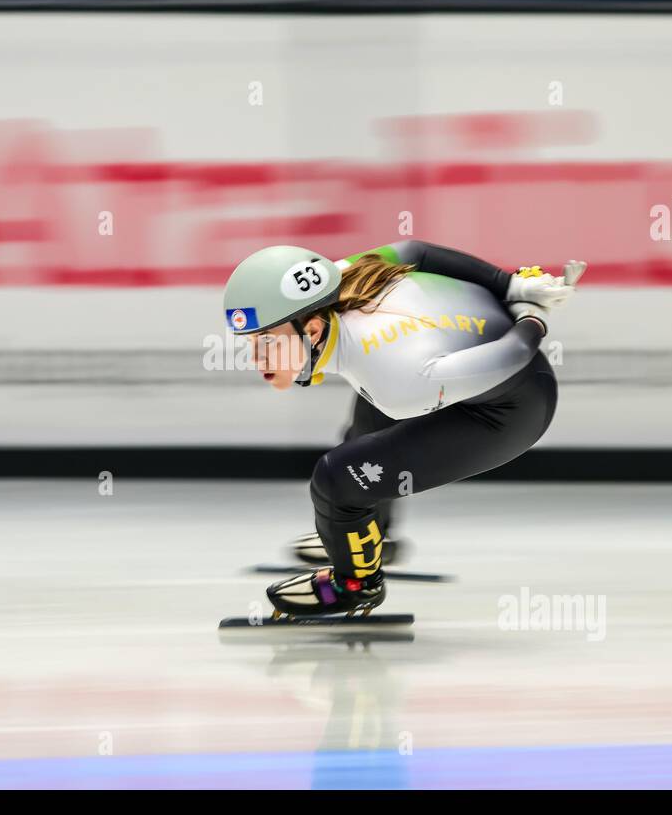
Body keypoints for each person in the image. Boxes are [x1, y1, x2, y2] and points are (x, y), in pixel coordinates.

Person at [222, 241, 584, 617]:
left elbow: (513, 356)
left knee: (338, 479)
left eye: (265, 342)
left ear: (312, 330)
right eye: (250, 343)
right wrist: (509, 286)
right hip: (460, 358)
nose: (256, 358)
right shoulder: (337, 280)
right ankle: (370, 531)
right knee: (369, 422)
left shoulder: (398, 379)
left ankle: (355, 585)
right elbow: (415, 250)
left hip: (509, 409)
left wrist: (531, 316)